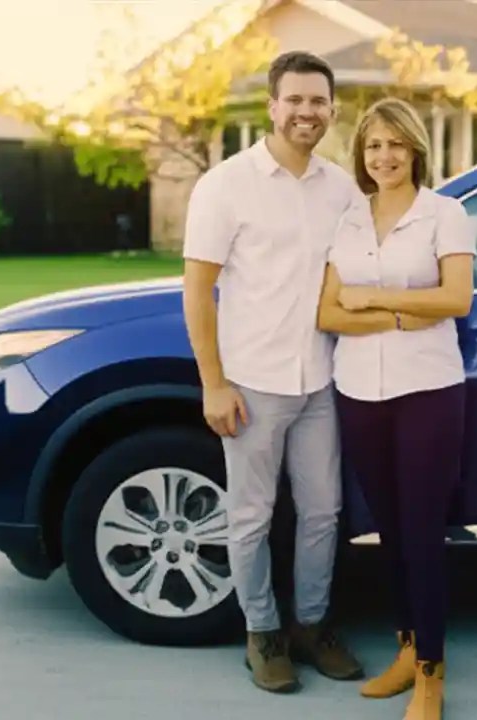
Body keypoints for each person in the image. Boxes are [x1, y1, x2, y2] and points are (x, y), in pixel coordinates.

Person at [181, 50, 365, 694]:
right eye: (295, 100)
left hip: (320, 381)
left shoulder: (342, 188)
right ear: (272, 105)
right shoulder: (225, 185)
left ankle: (311, 625)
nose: (306, 112)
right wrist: (214, 382)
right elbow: (197, 290)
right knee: (251, 517)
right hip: (252, 384)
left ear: (331, 109)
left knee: (323, 512)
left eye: (318, 101)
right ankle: (262, 634)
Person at [316, 97, 476, 720]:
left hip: (427, 392)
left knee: (421, 535)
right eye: (373, 145)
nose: (384, 156)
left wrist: (373, 303)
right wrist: (405, 314)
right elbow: (328, 312)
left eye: (395, 144)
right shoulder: (350, 219)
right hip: (359, 391)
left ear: (415, 149)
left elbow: (457, 298)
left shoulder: (446, 214)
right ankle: (406, 650)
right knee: (388, 532)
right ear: (362, 154)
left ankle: (432, 676)